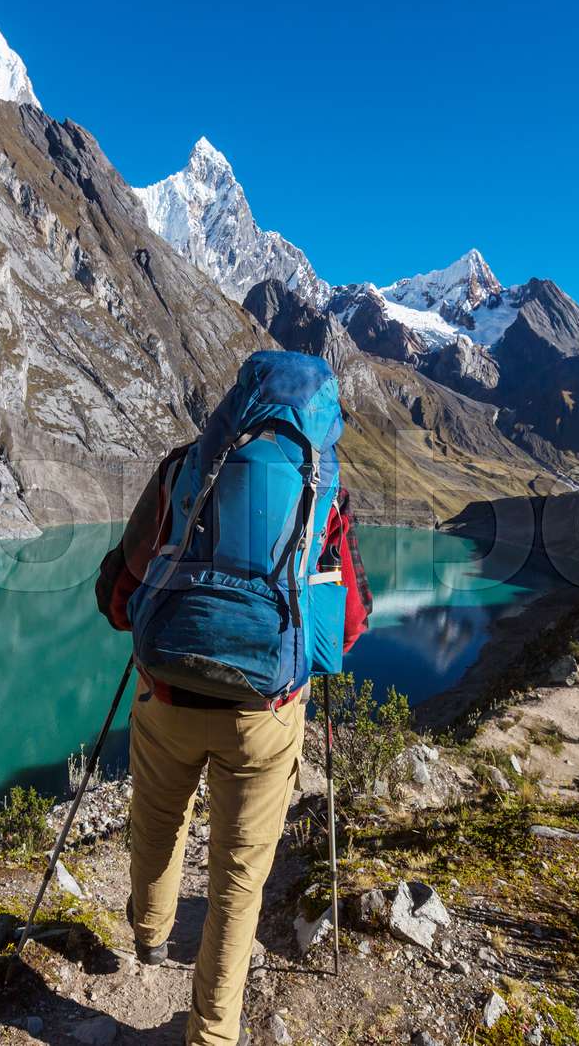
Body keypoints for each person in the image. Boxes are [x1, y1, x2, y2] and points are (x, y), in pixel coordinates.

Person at [94, 351, 372, 1046]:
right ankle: (213, 1034)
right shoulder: (326, 490)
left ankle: (151, 938)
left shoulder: (185, 467)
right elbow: (354, 622)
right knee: (238, 882)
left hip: (168, 693)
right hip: (266, 715)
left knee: (157, 824)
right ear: (322, 417)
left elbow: (117, 593)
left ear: (237, 402)